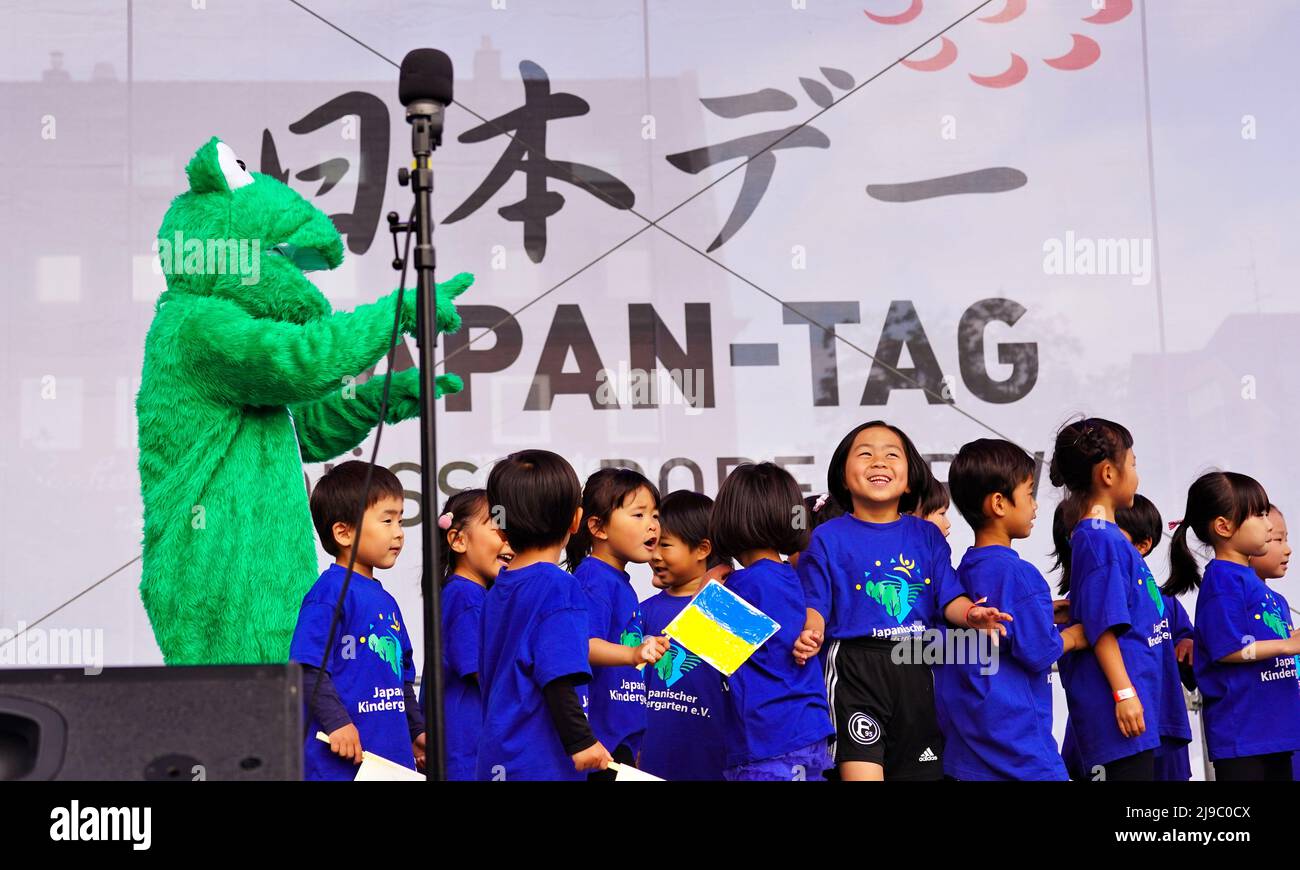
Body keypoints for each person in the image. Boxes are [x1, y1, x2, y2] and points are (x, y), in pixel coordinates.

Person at [290, 461, 422, 780]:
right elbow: (308, 668)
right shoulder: (330, 592)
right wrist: (337, 722)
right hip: (342, 766)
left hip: (391, 764)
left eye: (401, 521)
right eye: (387, 520)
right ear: (344, 532)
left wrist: (417, 731)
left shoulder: (386, 600)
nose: (398, 533)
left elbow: (403, 676)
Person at [1165, 474, 1300, 781]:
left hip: (1275, 731)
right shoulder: (1223, 579)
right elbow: (1228, 648)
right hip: (1244, 738)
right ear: (1224, 526)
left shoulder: (1256, 585)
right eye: (1259, 514)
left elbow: (1263, 639)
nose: (1268, 525)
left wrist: (1289, 639)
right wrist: (1287, 645)